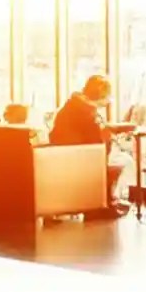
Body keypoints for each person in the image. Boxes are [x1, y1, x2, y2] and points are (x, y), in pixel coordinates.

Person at [50, 75, 132, 217]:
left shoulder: (74, 106)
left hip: (66, 154)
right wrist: (111, 134)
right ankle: (103, 204)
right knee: (122, 161)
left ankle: (108, 201)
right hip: (80, 157)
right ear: (101, 95)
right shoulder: (86, 111)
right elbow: (96, 137)